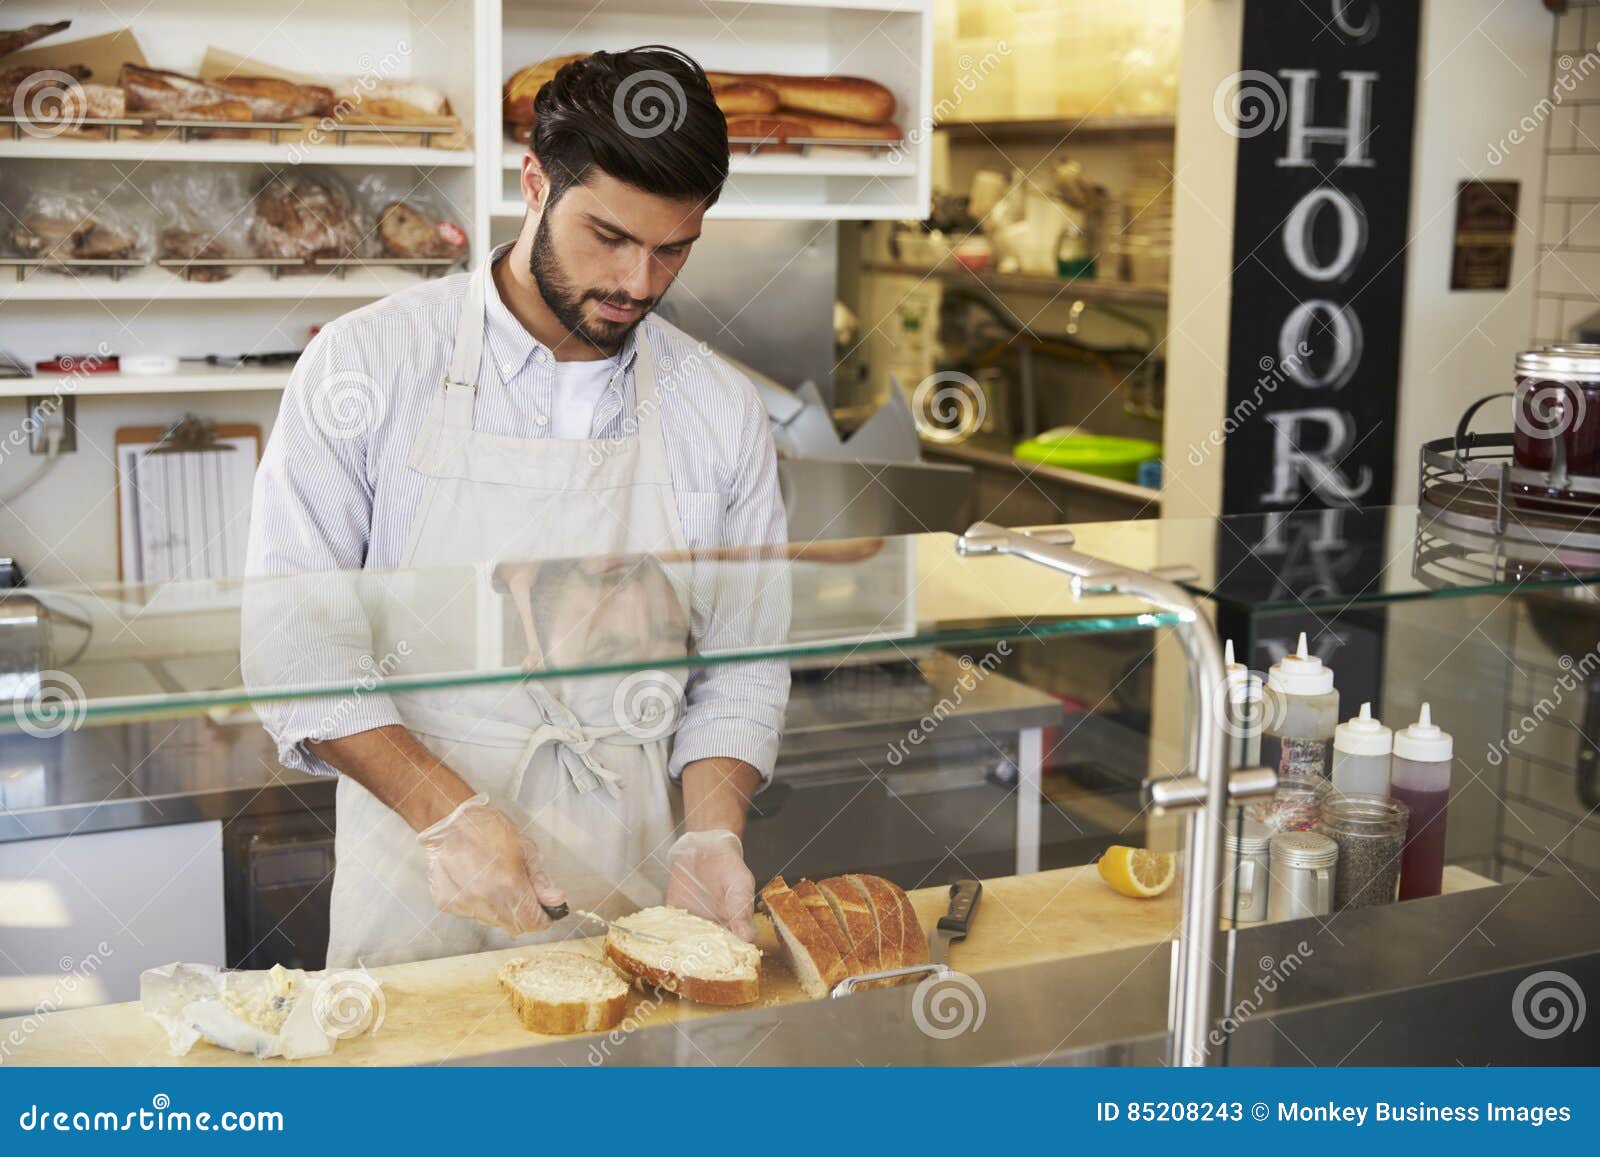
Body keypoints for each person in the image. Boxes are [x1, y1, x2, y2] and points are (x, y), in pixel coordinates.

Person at [244, 46, 790, 969]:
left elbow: (742, 665)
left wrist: (711, 834)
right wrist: (444, 810)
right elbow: (295, 646)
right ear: (534, 182)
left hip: (640, 894)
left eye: (673, 248)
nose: (638, 284)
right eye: (609, 238)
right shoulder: (364, 366)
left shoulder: (722, 408)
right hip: (421, 875)